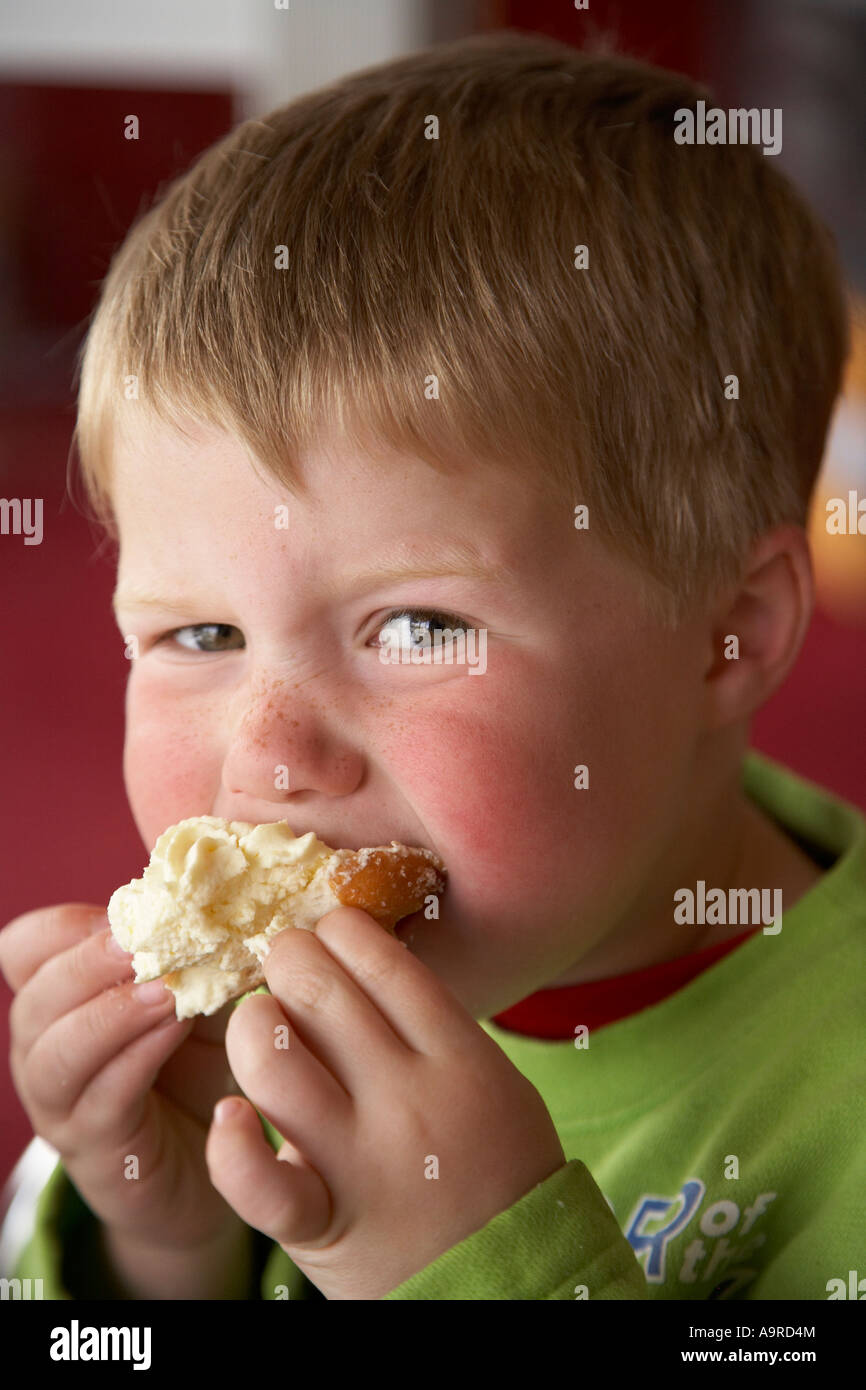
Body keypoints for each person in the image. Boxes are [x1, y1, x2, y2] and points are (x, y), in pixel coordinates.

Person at [1, 31, 862, 1301]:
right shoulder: (235, 1052)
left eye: (415, 627)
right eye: (201, 635)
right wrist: (162, 1247)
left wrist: (479, 1273)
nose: (269, 755)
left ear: (726, 632)